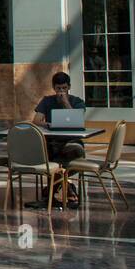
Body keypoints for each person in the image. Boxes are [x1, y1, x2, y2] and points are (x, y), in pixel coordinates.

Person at [29, 71, 85, 206]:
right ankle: (66, 187)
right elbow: (35, 120)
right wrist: (47, 124)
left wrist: (65, 102)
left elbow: (77, 118)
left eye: (64, 88)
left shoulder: (77, 101)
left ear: (69, 87)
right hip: (52, 141)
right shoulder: (47, 101)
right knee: (48, 153)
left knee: (73, 152)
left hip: (71, 141)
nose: (61, 91)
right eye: (58, 88)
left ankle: (52, 190)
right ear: (54, 88)